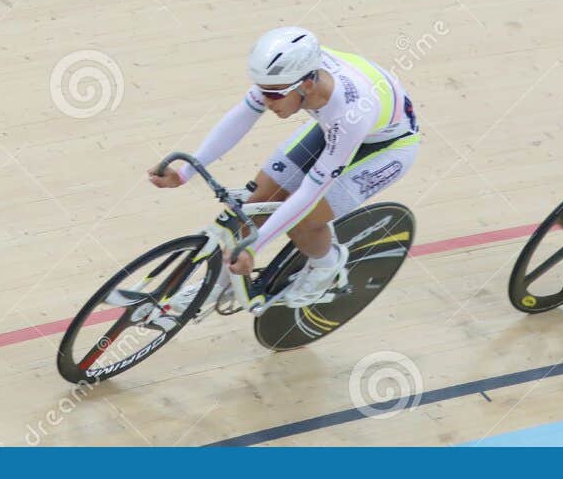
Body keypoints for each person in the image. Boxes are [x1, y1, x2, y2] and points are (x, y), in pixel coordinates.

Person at [148, 26, 420, 306]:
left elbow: (310, 192)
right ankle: (221, 285)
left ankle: (327, 267)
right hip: (335, 127)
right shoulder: (289, 74)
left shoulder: (349, 113)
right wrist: (185, 172)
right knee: (258, 203)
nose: (266, 101)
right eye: (262, 91)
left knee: (305, 220)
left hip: (387, 147)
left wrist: (255, 246)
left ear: (307, 85)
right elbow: (242, 116)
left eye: (274, 95)